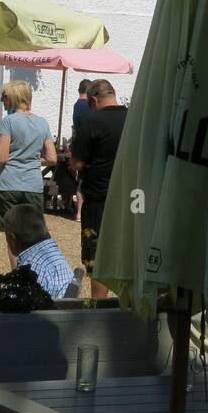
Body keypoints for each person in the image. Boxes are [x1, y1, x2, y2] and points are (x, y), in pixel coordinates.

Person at [70, 79, 127, 298]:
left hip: (97, 199)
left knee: (97, 255)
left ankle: (98, 305)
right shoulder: (132, 117)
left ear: (93, 99)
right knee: (124, 252)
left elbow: (77, 163)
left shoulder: (91, 120)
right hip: (128, 196)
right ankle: (127, 303)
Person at [0, 80, 56, 269]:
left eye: (4, 96)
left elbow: (1, 157)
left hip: (7, 184)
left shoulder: (8, 122)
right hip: (33, 184)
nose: (2, 99)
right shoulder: (42, 123)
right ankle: (35, 272)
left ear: (12, 97)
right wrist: (33, 160)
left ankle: (17, 276)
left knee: (12, 236)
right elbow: (52, 158)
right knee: (34, 234)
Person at [3, 203, 74, 299]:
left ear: (12, 238)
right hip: (63, 309)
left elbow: (18, 305)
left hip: (49, 312)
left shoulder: (31, 269)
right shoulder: (53, 252)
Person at [68, 78, 92, 222]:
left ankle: (78, 213)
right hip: (88, 145)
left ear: (79, 90)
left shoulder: (76, 105)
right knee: (84, 180)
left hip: (77, 144)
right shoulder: (89, 105)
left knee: (81, 179)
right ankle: (81, 213)